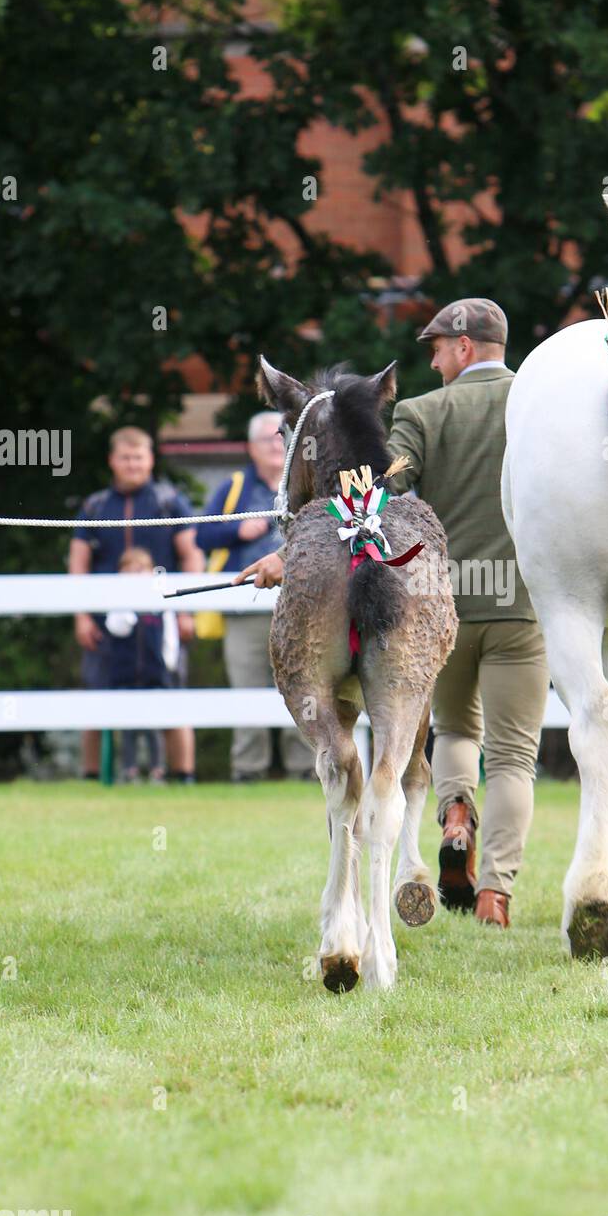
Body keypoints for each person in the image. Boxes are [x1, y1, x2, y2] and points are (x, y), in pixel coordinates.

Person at [236, 299, 550, 930]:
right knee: (513, 754)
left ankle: (452, 813)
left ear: (463, 347)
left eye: (436, 348)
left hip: (436, 597)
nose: (432, 360)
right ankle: (495, 895)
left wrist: (293, 551)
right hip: (522, 604)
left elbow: (373, 494)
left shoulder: (425, 412)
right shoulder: (540, 403)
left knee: (456, 732)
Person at [68, 426, 204, 781]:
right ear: (113, 461)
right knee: (97, 696)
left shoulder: (169, 501)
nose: (132, 464)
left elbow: (191, 556)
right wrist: (82, 616)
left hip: (162, 621)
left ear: (150, 460)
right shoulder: (94, 506)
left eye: (138, 457)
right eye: (125, 458)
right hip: (106, 623)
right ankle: (93, 774)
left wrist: (187, 610)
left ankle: (181, 774)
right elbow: (78, 562)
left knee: (172, 695)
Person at [197, 412, 316, 782]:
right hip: (244, 607)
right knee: (246, 684)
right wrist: (238, 529)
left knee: (304, 684)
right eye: (267, 439)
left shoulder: (306, 481)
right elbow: (201, 536)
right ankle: (248, 769)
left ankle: (304, 767)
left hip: (301, 605)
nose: (275, 445)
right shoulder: (233, 486)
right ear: (251, 447)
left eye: (281, 437)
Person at [104, 547, 183, 783]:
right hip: (125, 675)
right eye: (129, 571)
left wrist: (168, 663)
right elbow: (116, 627)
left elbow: (170, 636)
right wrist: (128, 607)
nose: (135, 576)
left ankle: (157, 769)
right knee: (127, 726)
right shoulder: (117, 603)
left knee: (153, 726)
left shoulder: (159, 604)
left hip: (154, 674)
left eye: (140, 570)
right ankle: (129, 770)